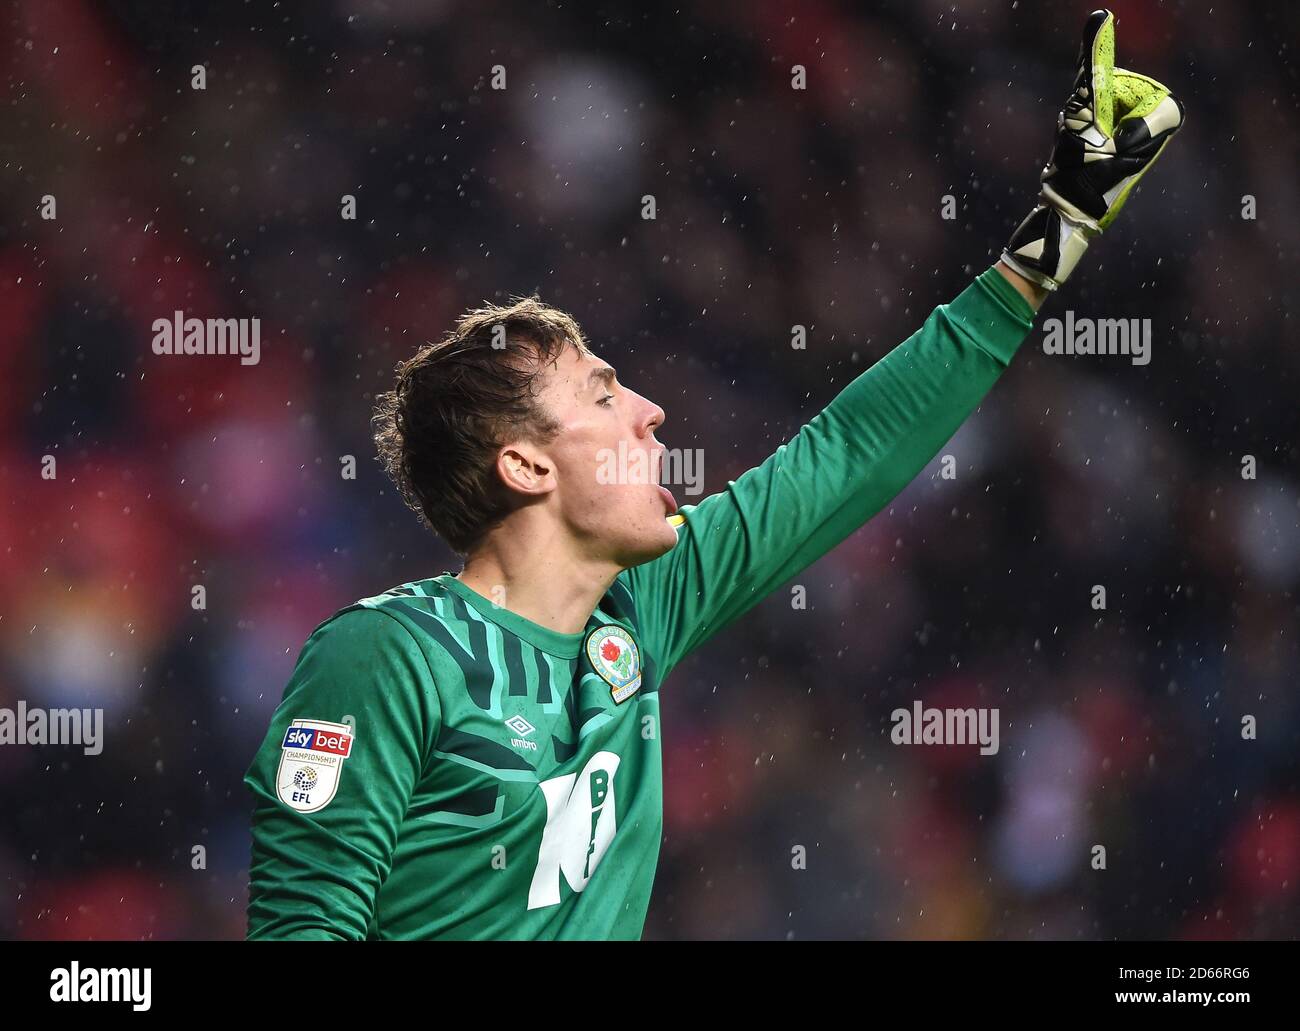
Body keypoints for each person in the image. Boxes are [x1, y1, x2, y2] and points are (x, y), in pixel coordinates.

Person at [244, 10, 1183, 939]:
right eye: (605, 397)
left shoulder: (637, 615)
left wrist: (1057, 231)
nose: (653, 413)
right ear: (526, 463)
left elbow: (845, 455)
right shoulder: (385, 656)